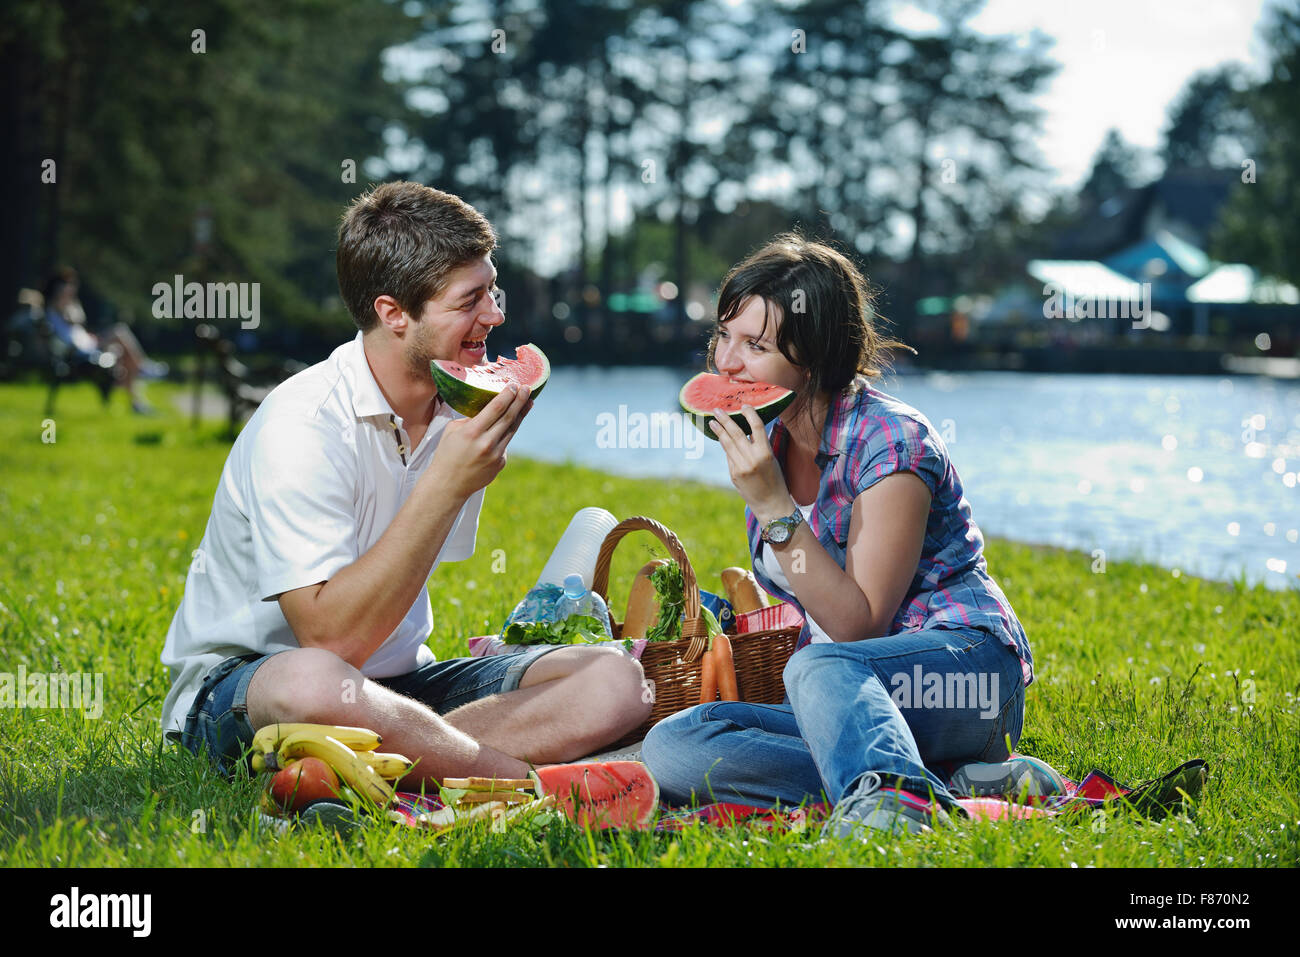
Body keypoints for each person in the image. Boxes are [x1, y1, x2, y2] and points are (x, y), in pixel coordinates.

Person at [160, 181, 652, 798]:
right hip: (249, 686)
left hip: (398, 688)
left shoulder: (455, 409)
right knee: (313, 682)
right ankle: (533, 787)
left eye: (492, 291)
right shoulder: (303, 423)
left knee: (619, 681)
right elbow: (332, 640)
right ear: (394, 313)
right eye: (470, 300)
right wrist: (444, 486)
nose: (496, 316)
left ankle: (386, 761)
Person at [642, 233, 1060, 838]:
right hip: (850, 695)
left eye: (755, 345)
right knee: (679, 742)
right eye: (723, 336)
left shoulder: (892, 440)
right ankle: (950, 783)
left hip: (961, 673)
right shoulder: (772, 442)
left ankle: (894, 809)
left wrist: (772, 505)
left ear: (812, 357)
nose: (725, 363)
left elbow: (857, 624)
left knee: (820, 668)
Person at [42, 267, 167, 413]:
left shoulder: (68, 307)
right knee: (119, 332)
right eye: (67, 286)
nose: (71, 289)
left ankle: (137, 401)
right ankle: (142, 369)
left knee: (124, 354)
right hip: (80, 353)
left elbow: (78, 326)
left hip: (87, 346)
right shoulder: (55, 309)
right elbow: (69, 331)